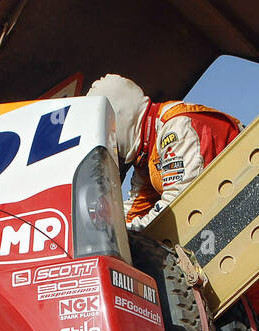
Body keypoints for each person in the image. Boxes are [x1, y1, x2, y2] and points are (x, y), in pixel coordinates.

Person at [86, 74, 242, 231]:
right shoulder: (147, 150)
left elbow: (178, 206)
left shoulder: (176, 127)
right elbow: (135, 208)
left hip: (246, 201)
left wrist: (124, 233)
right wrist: (103, 227)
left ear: (117, 116)